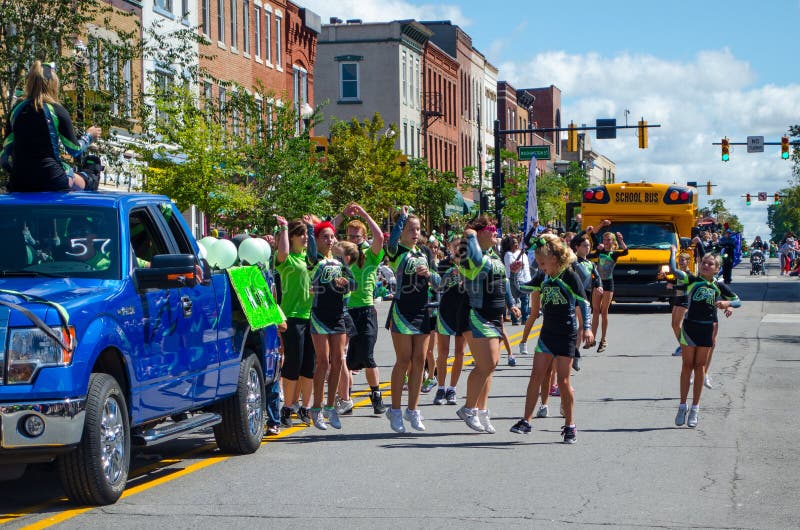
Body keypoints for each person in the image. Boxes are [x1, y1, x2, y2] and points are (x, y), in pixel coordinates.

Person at [510, 234, 593, 443]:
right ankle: (526, 421)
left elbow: (584, 303)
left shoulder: (570, 276)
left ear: (554, 259)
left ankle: (570, 425)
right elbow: (524, 288)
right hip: (547, 333)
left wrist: (588, 328)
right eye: (538, 264)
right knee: (535, 376)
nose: (540, 267)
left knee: (564, 381)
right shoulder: (543, 277)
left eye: (542, 263)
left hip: (566, 333)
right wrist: (514, 275)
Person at [456, 215, 520, 434]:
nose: (496, 232)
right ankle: (468, 408)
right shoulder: (470, 255)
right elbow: (473, 258)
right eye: (491, 229)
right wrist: (470, 234)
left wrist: (512, 304)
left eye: (496, 229)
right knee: (486, 363)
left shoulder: (494, 255)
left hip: (494, 315)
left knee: (490, 366)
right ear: (479, 232)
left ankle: (481, 410)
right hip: (476, 312)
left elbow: (503, 283)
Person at [2, 61, 102, 191]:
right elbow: (74, 149)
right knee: (85, 179)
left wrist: (17, 171)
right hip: (52, 178)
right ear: (53, 85)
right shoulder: (57, 110)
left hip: (19, 181)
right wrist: (89, 135)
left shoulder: (16, 110)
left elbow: (4, 154)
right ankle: (89, 176)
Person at [668, 246, 740, 428]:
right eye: (704, 262)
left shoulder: (718, 285)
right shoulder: (692, 279)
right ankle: (682, 405)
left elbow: (738, 301)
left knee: (700, 367)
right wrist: (672, 253)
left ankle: (695, 408)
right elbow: (675, 271)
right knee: (687, 365)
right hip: (690, 327)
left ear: (717, 268)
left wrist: (727, 303)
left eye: (711, 264)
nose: (706, 265)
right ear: (699, 265)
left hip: (707, 329)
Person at [385, 206, 440, 433]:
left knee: (420, 360)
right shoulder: (397, 251)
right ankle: (395, 410)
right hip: (402, 310)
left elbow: (439, 282)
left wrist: (429, 275)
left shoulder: (425, 253)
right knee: (404, 360)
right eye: (411, 229)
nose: (415, 233)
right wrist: (402, 219)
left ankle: (413, 410)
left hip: (422, 309)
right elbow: (391, 242)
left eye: (417, 229)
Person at [332, 203, 387, 415]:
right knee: (344, 357)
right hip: (345, 309)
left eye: (357, 236)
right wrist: (343, 214)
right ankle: (346, 398)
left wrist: (364, 213)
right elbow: (328, 232)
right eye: (351, 235)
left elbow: (380, 237)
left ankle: (376, 394)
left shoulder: (369, 254)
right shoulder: (341, 253)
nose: (353, 239)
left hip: (365, 309)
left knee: (367, 355)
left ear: (363, 237)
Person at [306, 221, 355, 430]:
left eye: (332, 236)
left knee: (338, 360)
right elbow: (310, 250)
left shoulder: (339, 262)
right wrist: (310, 229)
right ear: (317, 240)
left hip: (338, 316)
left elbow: (354, 283)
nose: (329, 240)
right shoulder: (314, 260)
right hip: (319, 315)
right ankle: (315, 408)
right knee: (323, 362)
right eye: (324, 236)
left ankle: (330, 406)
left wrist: (345, 283)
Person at [274, 216, 315, 429]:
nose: (305, 238)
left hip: (312, 317)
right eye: (301, 234)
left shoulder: (310, 258)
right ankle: (287, 407)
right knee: (293, 364)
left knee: (309, 366)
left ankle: (305, 408)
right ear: (291, 237)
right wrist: (283, 228)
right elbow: (283, 252)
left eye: (307, 234)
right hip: (293, 317)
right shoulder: (286, 260)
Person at [432, 235, 469, 406]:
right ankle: (441, 388)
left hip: (463, 311)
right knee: (443, 352)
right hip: (446, 310)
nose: (458, 248)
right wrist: (450, 273)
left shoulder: (471, 264)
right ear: (450, 247)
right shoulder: (444, 264)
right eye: (455, 246)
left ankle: (452, 388)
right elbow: (438, 286)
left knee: (460, 352)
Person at [586, 221, 628, 352]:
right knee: (595, 310)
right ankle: (591, 339)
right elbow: (592, 235)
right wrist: (602, 225)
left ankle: (603, 339)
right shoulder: (599, 251)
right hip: (598, 283)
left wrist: (621, 240)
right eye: (604, 239)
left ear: (612, 241)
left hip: (608, 283)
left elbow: (626, 252)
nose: (606, 241)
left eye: (608, 239)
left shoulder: (614, 254)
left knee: (604, 311)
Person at [569, 233, 601, 370]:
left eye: (589, 245)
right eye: (584, 245)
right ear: (577, 247)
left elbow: (597, 277)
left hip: (586, 296)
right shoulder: (574, 261)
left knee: (582, 326)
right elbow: (573, 242)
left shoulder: (590, 263)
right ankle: (572, 352)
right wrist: (584, 231)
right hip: (574, 295)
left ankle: (575, 352)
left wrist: (599, 285)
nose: (587, 248)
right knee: (575, 324)